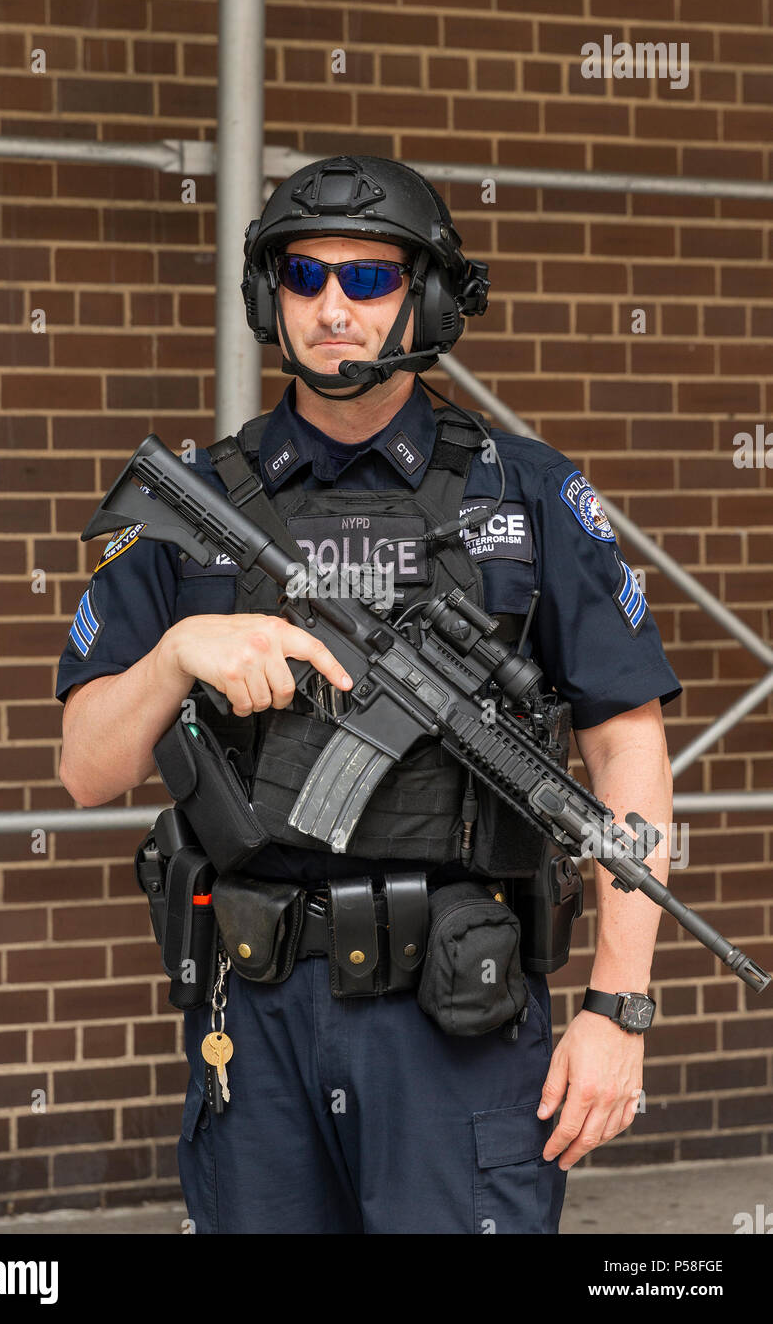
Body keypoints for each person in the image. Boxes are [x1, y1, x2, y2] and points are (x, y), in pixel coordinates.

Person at [57, 154, 682, 1235]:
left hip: (457, 1022)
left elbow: (624, 753)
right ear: (268, 297)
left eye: (366, 279)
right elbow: (85, 767)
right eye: (301, 276)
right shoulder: (195, 500)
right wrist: (175, 656)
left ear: (425, 296)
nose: (330, 308)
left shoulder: (526, 492)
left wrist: (615, 1008)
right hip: (253, 1012)